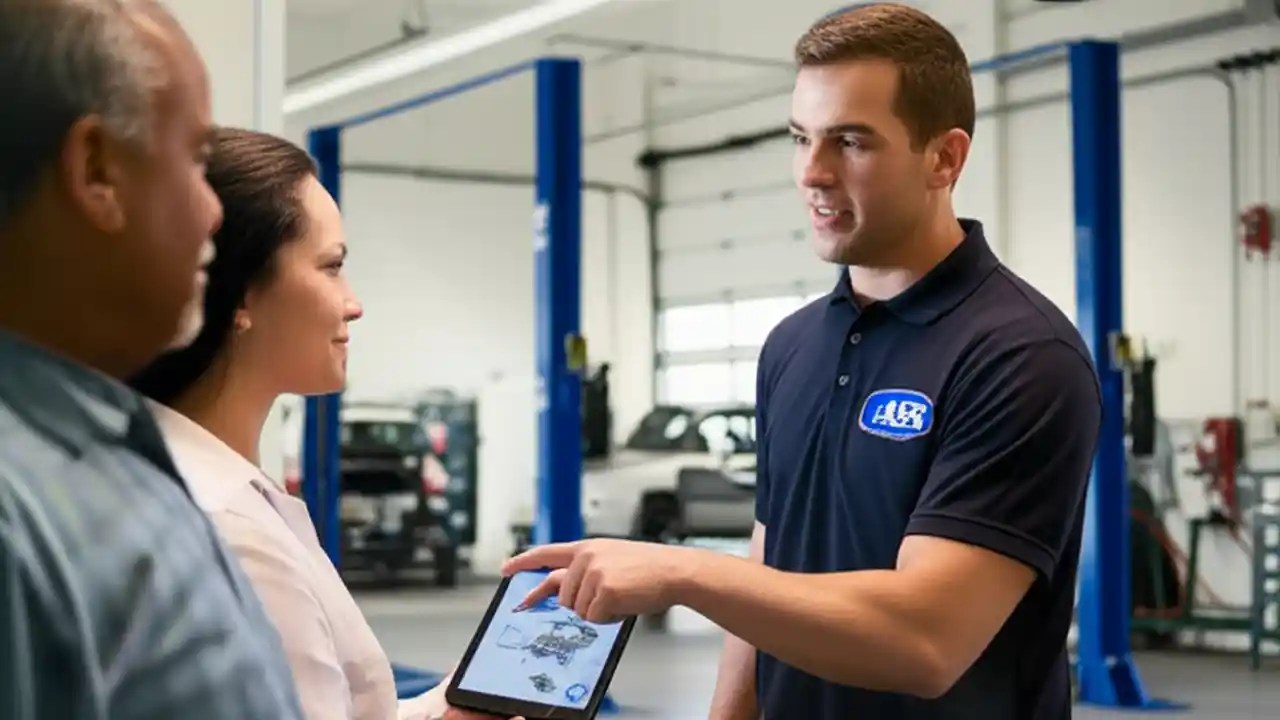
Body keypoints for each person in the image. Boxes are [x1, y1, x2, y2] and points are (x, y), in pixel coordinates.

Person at [496, 5, 1100, 720]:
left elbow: (926, 639)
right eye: (800, 138)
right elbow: (768, 565)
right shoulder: (793, 345)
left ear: (944, 158)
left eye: (850, 142)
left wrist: (681, 571)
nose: (812, 173)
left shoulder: (1019, 356)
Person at [0, 1, 305, 719]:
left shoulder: (96, 451)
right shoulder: (21, 510)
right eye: (195, 161)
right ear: (97, 170)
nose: (213, 213)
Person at [127, 127, 492, 720]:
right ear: (240, 294)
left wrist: (439, 711)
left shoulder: (189, 481)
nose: (353, 302)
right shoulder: (227, 530)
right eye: (332, 267)